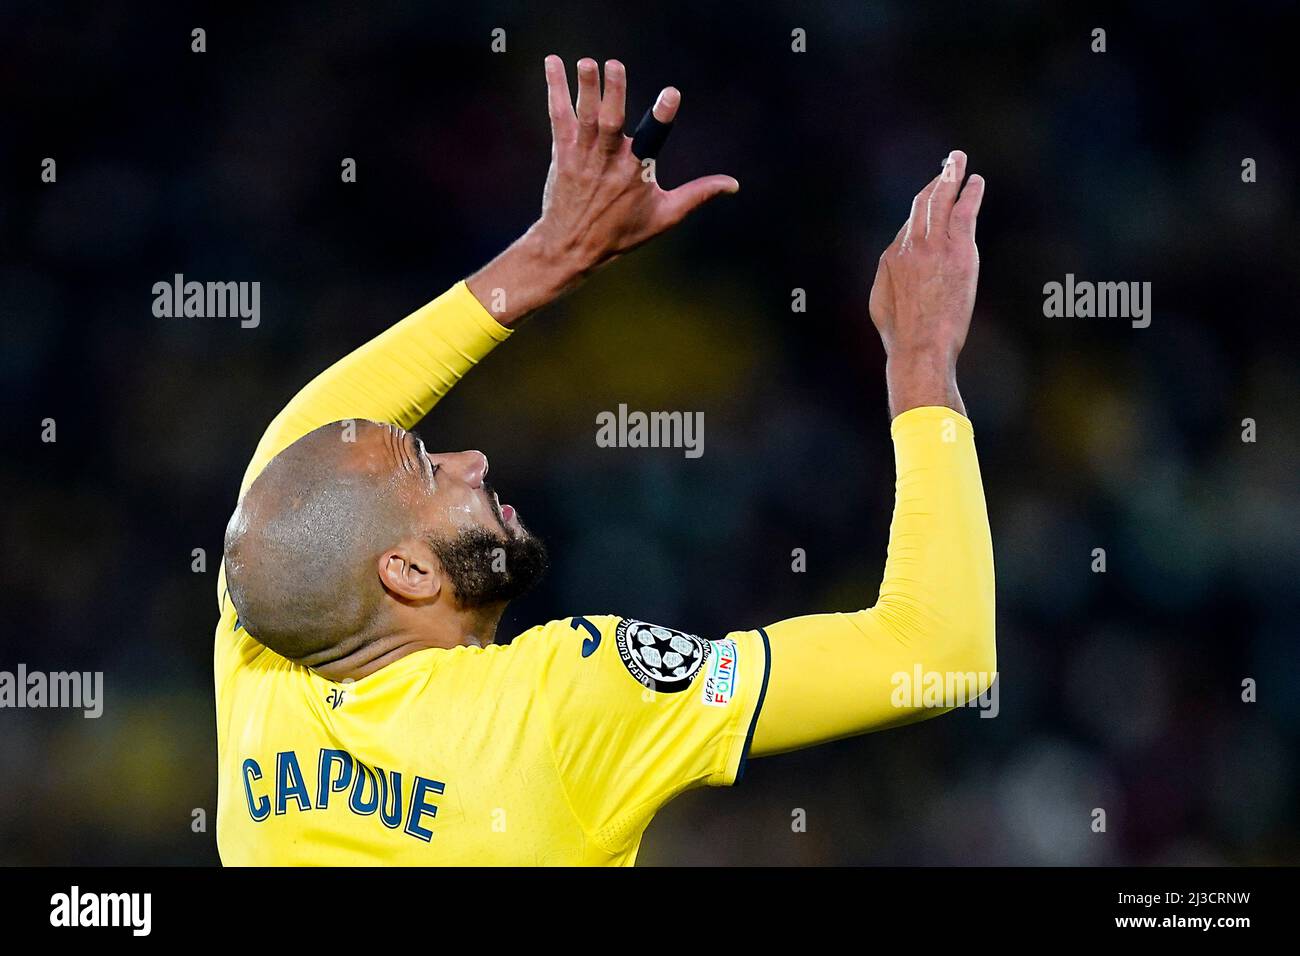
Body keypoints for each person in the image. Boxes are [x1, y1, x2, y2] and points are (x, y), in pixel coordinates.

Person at [215, 56, 994, 865]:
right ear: (406, 572)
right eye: (427, 468)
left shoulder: (260, 668)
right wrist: (922, 364)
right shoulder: (560, 703)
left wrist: (558, 248)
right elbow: (937, 655)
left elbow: (301, 454)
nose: (471, 460)